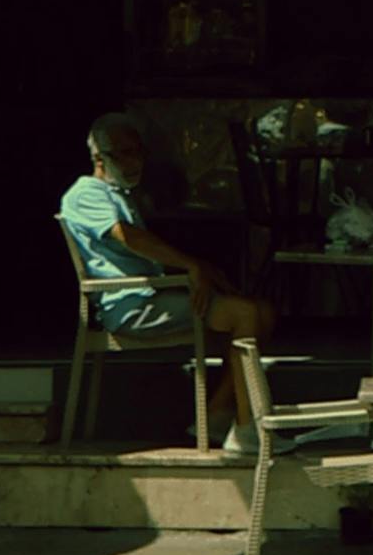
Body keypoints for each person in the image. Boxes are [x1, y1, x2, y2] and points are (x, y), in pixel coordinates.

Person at [58, 117, 267, 373]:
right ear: (99, 158)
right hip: (130, 307)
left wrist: (202, 270)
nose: (136, 162)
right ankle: (246, 399)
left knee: (263, 312)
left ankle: (227, 398)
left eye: (139, 152)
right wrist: (191, 266)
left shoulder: (119, 193)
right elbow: (129, 237)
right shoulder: (86, 193)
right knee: (244, 313)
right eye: (126, 153)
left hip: (152, 295)